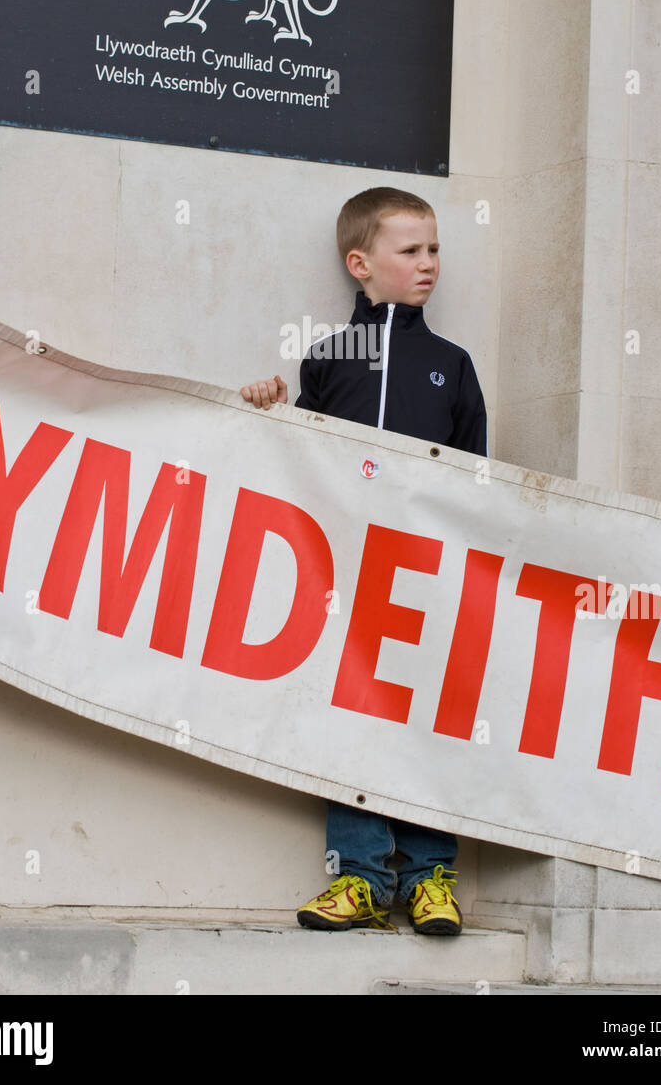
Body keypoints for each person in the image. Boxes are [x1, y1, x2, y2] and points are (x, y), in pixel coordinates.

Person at [240, 186, 487, 934]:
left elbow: (478, 480)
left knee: (421, 719)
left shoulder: (452, 363)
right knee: (345, 717)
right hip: (341, 576)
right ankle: (358, 879)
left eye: (434, 249)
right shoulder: (327, 357)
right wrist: (266, 410)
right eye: (410, 251)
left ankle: (430, 878)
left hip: (424, 575)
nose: (429, 264)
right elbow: (300, 466)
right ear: (360, 264)